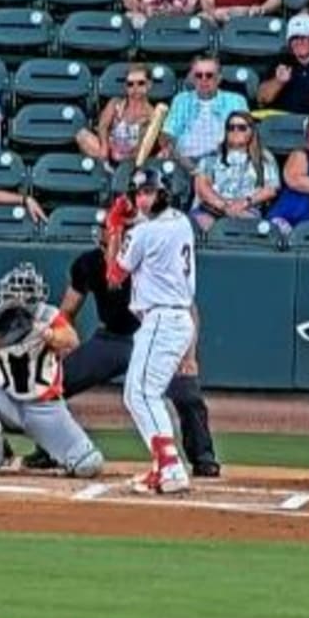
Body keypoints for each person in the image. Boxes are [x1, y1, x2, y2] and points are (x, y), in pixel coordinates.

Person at [20, 238, 220, 477]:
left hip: (155, 338)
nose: (112, 250)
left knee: (186, 393)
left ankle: (203, 457)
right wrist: (62, 342)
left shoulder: (154, 262)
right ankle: (50, 449)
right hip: (112, 339)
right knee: (55, 383)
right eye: (106, 243)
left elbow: (187, 310)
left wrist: (189, 357)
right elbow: (68, 310)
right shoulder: (88, 263)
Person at [0, 262, 105, 477]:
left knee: (88, 465)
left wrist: (48, 335)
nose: (19, 298)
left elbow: (72, 340)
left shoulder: (48, 316)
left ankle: (57, 451)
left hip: (45, 408)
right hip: (7, 402)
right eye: (15, 293)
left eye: (25, 293)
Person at [103, 167, 198, 494]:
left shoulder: (145, 233)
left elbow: (114, 276)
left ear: (164, 194)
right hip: (172, 320)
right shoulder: (181, 221)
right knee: (138, 394)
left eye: (149, 192)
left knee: (143, 394)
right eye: (139, 193)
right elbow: (149, 228)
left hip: (162, 320)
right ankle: (162, 464)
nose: (143, 199)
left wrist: (114, 229)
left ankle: (171, 467)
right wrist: (132, 221)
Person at [190, 109, 279, 232]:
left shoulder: (264, 157)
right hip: (211, 208)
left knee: (246, 226)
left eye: (241, 127)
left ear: (252, 131)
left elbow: (270, 189)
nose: (235, 131)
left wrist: (244, 203)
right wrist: (225, 206)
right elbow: (202, 188)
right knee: (205, 226)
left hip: (247, 208)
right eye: (231, 127)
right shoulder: (212, 156)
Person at [161, 54, 249, 171]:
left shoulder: (236, 101)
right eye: (198, 75)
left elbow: (247, 135)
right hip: (184, 162)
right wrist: (184, 161)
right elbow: (168, 135)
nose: (204, 79)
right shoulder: (181, 100)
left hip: (223, 162)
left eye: (209, 75)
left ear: (219, 78)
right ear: (192, 78)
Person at [76, 63, 161, 166]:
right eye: (130, 84)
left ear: (149, 85)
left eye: (140, 83)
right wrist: (105, 146)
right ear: (126, 86)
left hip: (132, 159)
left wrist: (123, 153)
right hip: (108, 153)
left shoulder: (152, 115)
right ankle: (106, 169)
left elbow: (143, 147)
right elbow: (103, 126)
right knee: (82, 135)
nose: (135, 88)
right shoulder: (115, 103)